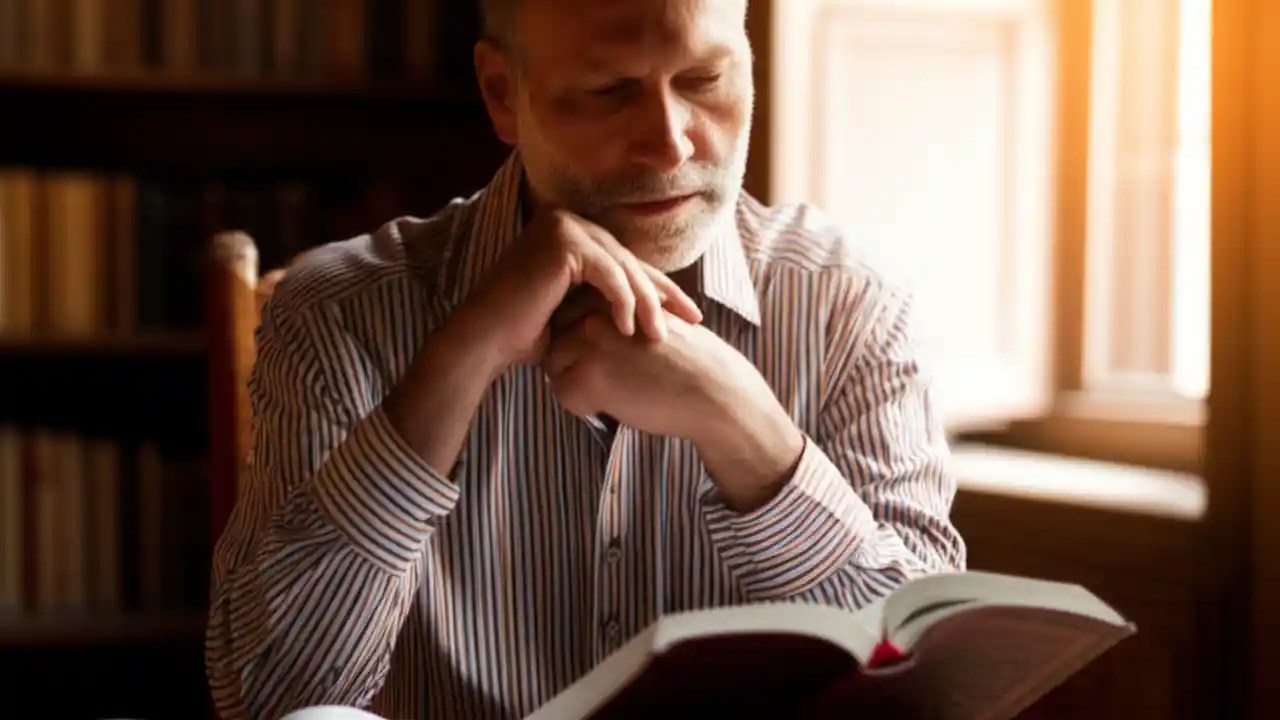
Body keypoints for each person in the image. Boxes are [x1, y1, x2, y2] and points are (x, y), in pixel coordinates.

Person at [204, 0, 967, 718]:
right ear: (503, 94)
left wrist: (747, 429)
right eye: (609, 92)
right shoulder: (340, 315)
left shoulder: (848, 308)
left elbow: (934, 690)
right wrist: (462, 354)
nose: (672, 141)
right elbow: (270, 695)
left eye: (705, 79)